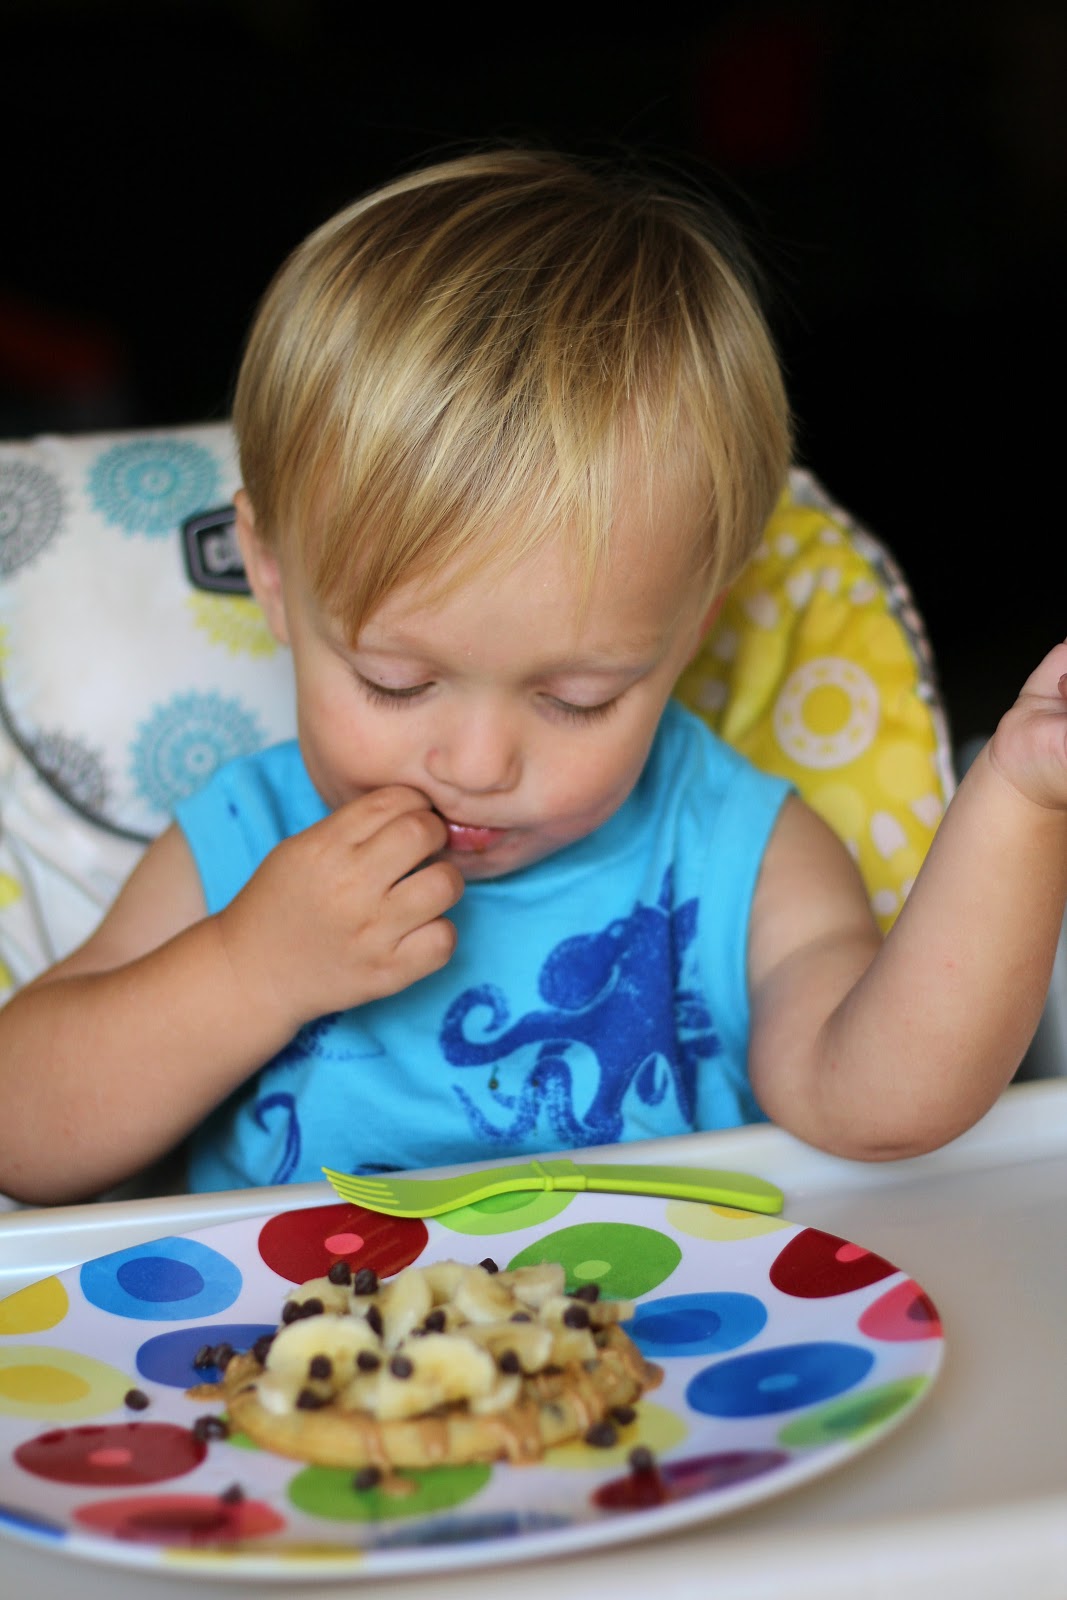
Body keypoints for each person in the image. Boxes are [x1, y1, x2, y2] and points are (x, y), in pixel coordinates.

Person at [2, 148, 1065, 1206]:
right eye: (394, 679)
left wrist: (1017, 796)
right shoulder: (246, 843)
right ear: (270, 576)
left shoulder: (733, 851)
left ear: (688, 625)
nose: (477, 764)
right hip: (285, 1362)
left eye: (576, 698)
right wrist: (247, 971)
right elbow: (23, 1134)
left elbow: (883, 1106)